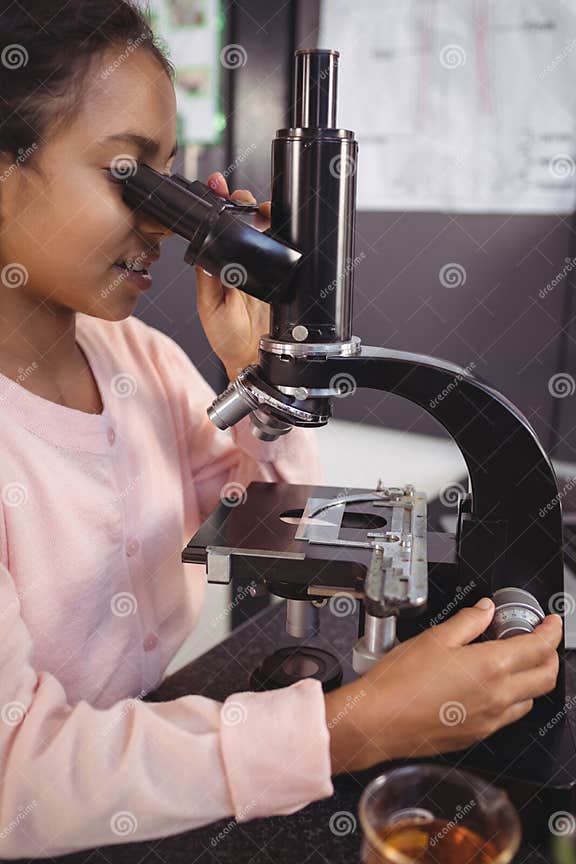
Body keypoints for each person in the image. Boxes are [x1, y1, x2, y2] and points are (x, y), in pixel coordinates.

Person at [0, 1, 562, 857]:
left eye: (175, 184)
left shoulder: (137, 357)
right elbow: (18, 777)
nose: (164, 223)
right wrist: (350, 727)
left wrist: (252, 363)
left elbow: (270, 512)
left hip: (152, 766)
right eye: (131, 177)